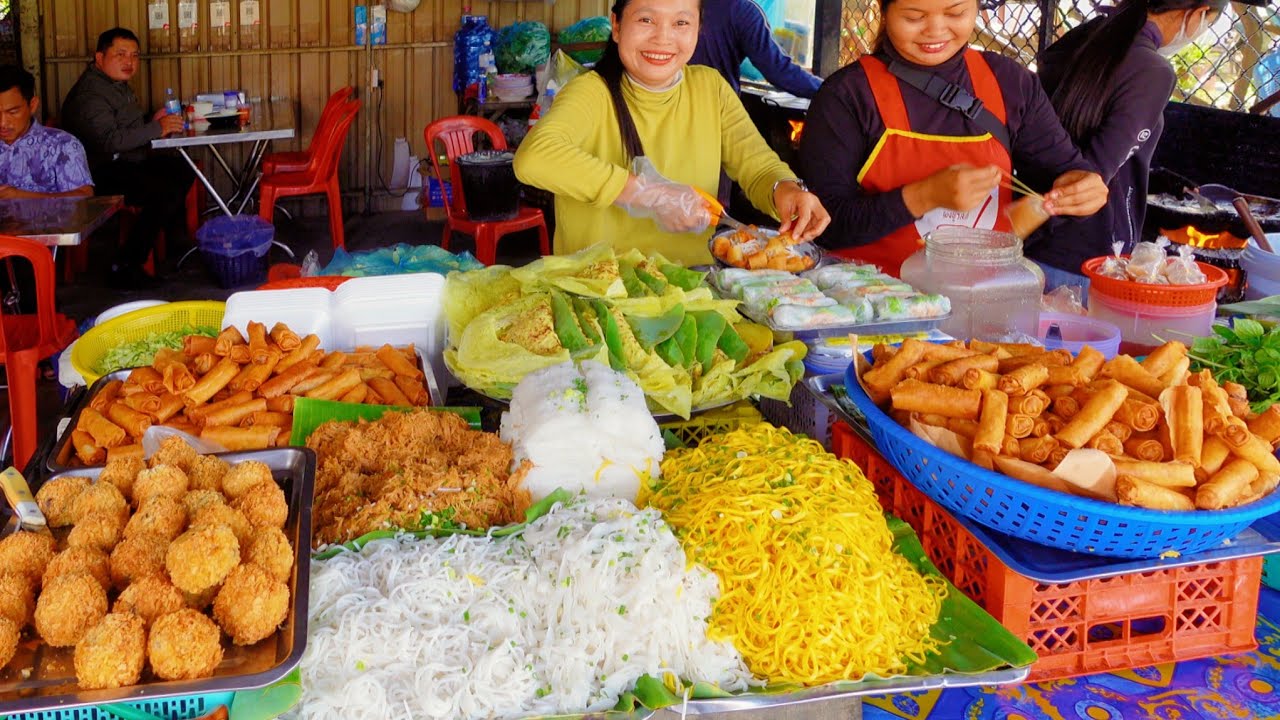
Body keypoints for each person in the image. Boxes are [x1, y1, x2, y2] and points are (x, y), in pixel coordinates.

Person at [796, 0, 1109, 277]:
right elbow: (826, 227)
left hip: (983, 300)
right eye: (914, 16)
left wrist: (1081, 187)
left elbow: (1063, 170)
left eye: (955, 12)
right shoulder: (847, 95)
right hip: (869, 303)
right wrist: (923, 196)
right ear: (883, 10)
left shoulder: (1010, 84)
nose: (935, 30)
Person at [513, 0, 829, 267]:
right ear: (618, 25)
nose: (663, 38)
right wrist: (650, 195)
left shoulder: (710, 87)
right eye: (646, 19)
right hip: (599, 297)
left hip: (692, 292)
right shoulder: (590, 93)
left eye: (681, 22)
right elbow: (533, 158)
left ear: (698, 29)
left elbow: (757, 166)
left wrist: (786, 190)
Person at [1025, 0, 1228, 292]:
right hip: (1081, 262)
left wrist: (1155, 177)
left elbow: (1071, 136)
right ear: (1197, 14)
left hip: (1031, 241)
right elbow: (1087, 180)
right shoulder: (1152, 70)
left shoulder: (1087, 36)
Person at [60, 27, 194, 288]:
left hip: (124, 161)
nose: (129, 62)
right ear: (99, 58)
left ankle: (174, 242)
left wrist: (150, 121)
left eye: (134, 55)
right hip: (97, 172)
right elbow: (110, 142)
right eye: (120, 54)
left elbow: (124, 130)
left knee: (180, 168)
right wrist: (158, 128)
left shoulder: (115, 86)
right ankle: (125, 265)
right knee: (162, 191)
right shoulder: (90, 95)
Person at [690, 0, 821, 99]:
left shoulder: (678, 6)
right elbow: (778, 71)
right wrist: (831, 92)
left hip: (675, 110)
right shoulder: (741, 10)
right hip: (716, 112)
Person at [0, 65, 93, 199]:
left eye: (13, 112)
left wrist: (22, 196)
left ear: (32, 105)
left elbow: (84, 197)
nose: (2, 123)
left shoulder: (62, 145)